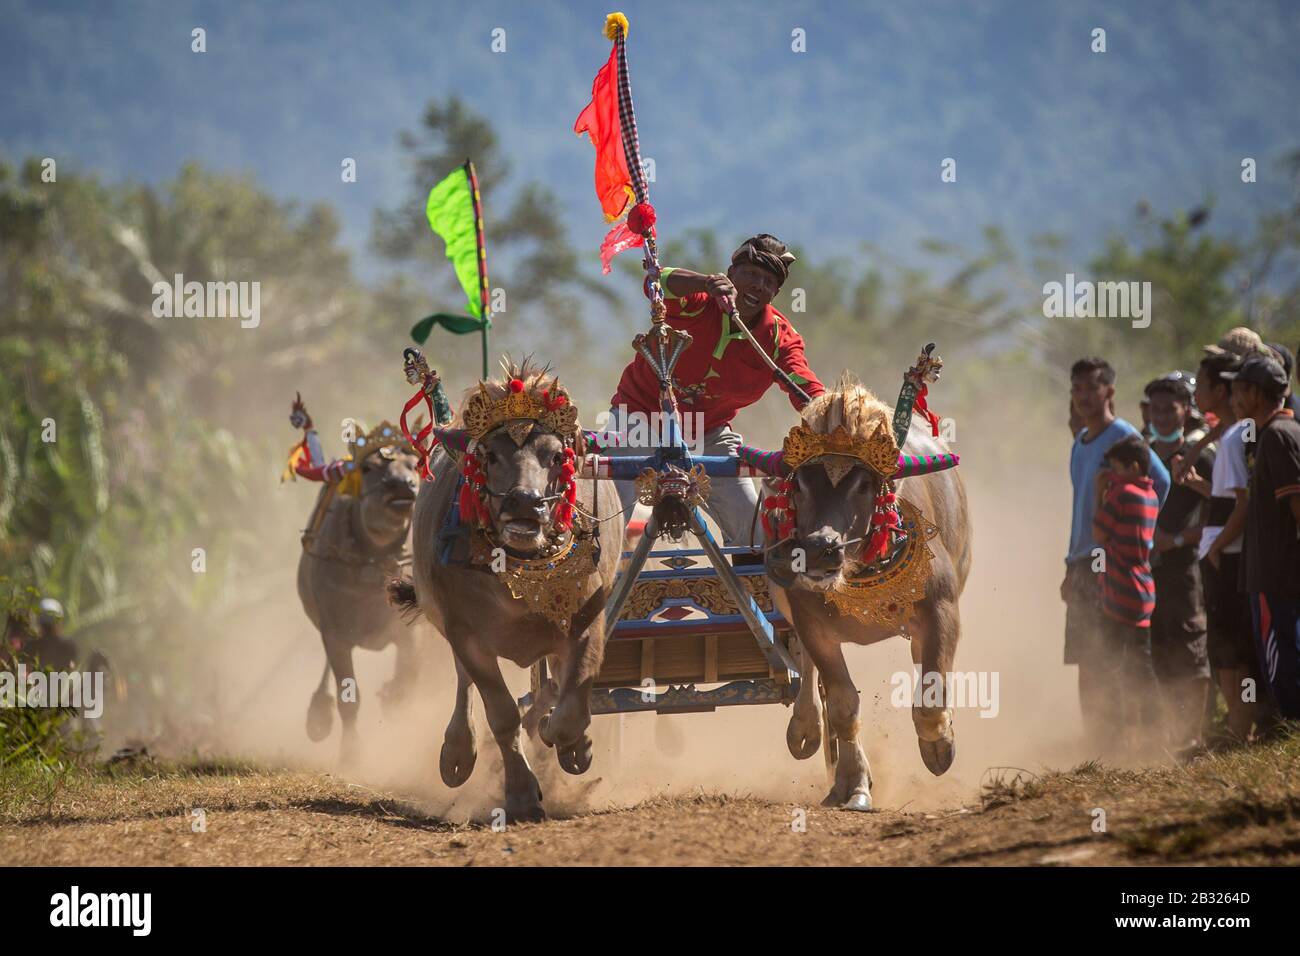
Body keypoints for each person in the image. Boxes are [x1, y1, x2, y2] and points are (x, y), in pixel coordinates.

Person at [606, 234, 825, 546]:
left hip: (708, 433)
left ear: (775, 293)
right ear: (730, 275)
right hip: (637, 418)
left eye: (768, 281)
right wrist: (704, 282)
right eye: (750, 274)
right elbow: (655, 283)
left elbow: (805, 386)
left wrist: (836, 418)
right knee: (608, 519)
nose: (759, 285)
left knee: (754, 533)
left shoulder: (779, 338)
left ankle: (751, 591)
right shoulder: (698, 300)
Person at [1062, 357, 1170, 746]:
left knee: (1113, 654)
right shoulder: (1081, 442)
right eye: (1077, 389)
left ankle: (1129, 740)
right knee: (1086, 656)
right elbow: (1081, 510)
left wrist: (1137, 540)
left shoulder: (1122, 436)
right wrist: (1070, 566)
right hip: (1082, 561)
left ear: (1109, 391)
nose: (1084, 396)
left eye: (1092, 387)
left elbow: (1160, 480)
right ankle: (1096, 742)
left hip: (1110, 563)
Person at [1179, 351, 1259, 741]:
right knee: (1222, 647)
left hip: (1227, 556)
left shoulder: (1238, 436)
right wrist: (1197, 480)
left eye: (1202, 381)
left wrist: (1216, 546)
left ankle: (1240, 731)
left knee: (1233, 648)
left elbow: (1245, 504)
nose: (1197, 389)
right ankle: (1235, 729)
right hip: (1221, 552)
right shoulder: (1227, 436)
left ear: (1221, 389)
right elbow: (1226, 498)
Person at [1227, 355, 1300, 719]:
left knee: (1283, 655)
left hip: (1277, 574)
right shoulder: (1269, 436)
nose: (1233, 398)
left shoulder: (1277, 437)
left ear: (1255, 393)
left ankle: (1290, 725)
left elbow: (1296, 507)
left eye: (1238, 389)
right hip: (1272, 574)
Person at [1144, 375, 1213, 754]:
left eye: (1170, 408)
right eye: (1156, 409)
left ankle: (1195, 734)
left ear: (1185, 411)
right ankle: (1170, 733)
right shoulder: (1143, 452)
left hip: (1186, 565)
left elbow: (1226, 508)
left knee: (1190, 643)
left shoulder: (1200, 454)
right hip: (1148, 568)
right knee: (1158, 646)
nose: (1163, 415)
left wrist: (1179, 539)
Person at [1091, 433, 1161, 754]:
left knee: (1112, 666)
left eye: (1117, 468)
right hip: (1144, 591)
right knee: (1141, 665)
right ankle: (1153, 731)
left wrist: (1099, 493)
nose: (1112, 474)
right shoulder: (1151, 496)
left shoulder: (1122, 494)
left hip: (1119, 593)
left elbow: (1098, 532)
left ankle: (1117, 737)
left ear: (1133, 467)